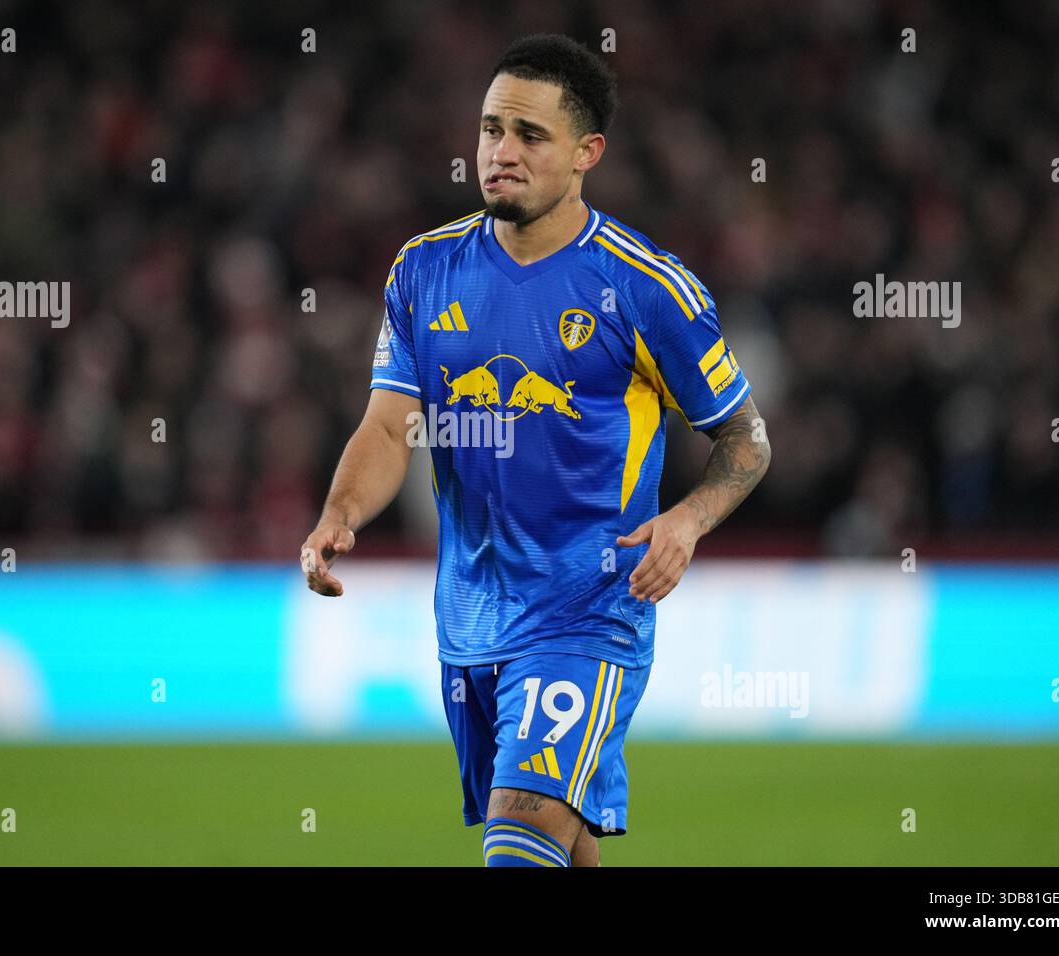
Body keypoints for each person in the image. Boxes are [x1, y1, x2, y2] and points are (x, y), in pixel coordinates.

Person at [299, 33, 770, 866]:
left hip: (590, 609)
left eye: (529, 135)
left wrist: (688, 521)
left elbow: (745, 437)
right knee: (552, 842)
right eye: (489, 130)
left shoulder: (645, 287)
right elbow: (388, 425)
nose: (500, 153)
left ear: (588, 153)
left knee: (519, 832)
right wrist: (339, 515)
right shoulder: (424, 269)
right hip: (470, 611)